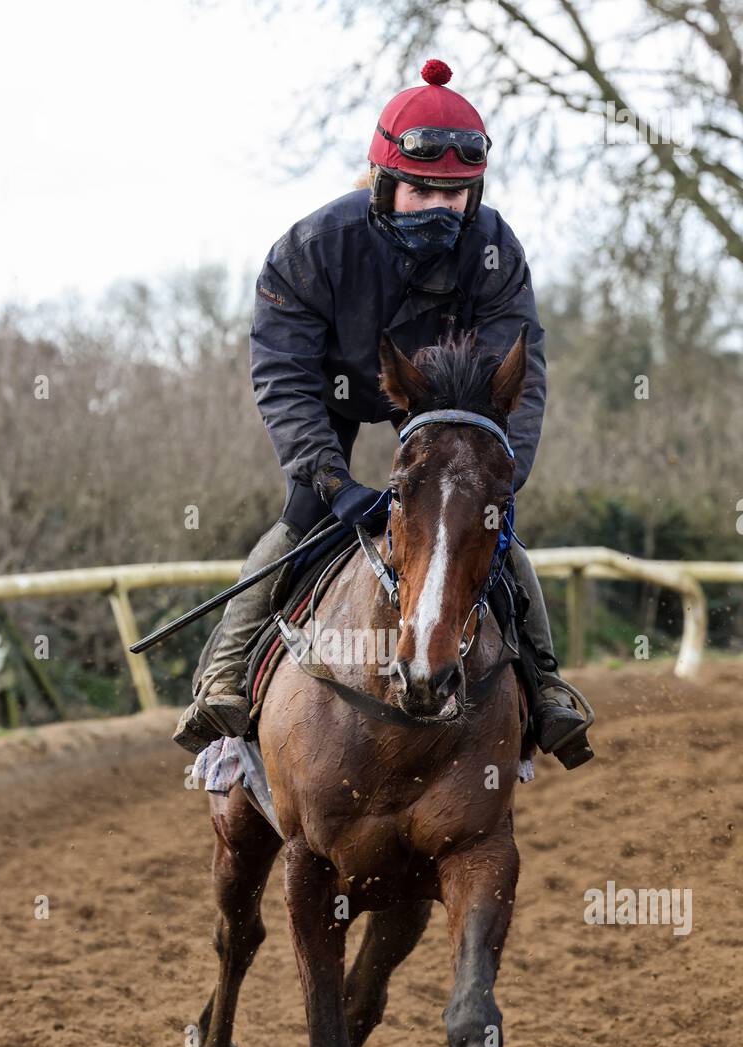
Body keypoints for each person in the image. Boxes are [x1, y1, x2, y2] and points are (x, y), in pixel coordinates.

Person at [175, 58, 593, 769]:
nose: (439, 206)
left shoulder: (496, 252)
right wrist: (337, 486)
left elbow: (517, 376)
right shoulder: (309, 250)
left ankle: (545, 684)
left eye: (455, 194)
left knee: (483, 525)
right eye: (422, 188)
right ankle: (224, 671)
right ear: (382, 184)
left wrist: (498, 480)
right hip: (331, 386)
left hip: (440, 401)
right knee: (302, 515)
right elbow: (284, 378)